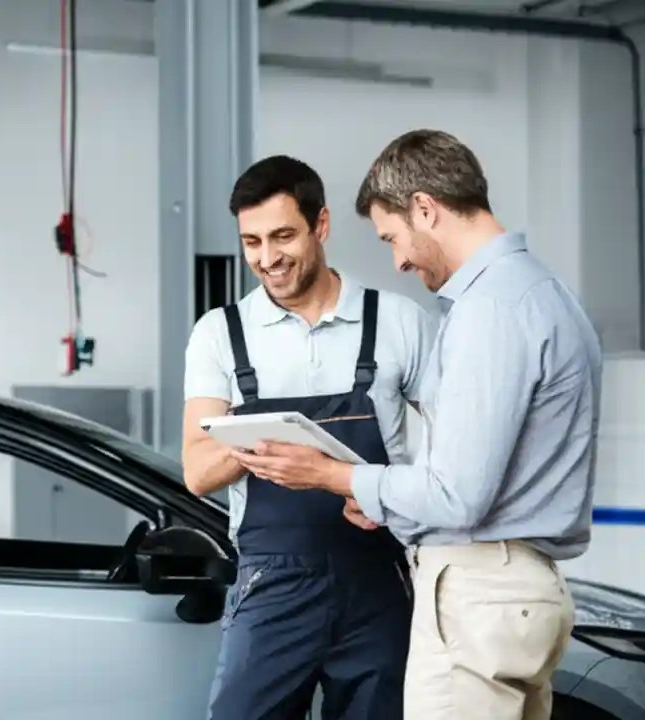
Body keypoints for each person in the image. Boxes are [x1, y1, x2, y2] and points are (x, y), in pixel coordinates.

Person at [232, 129, 602, 720]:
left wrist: (339, 478)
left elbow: (456, 496)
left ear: (425, 208)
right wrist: (387, 503)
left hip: (482, 593)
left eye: (393, 236)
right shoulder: (545, 293)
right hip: (525, 591)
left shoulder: (489, 312)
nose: (399, 260)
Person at [182, 154, 437, 720]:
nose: (267, 259)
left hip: (379, 577)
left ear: (320, 225)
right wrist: (263, 444)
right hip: (272, 582)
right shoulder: (219, 335)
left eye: (282, 236)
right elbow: (197, 472)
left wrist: (393, 497)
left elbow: (455, 451)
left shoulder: (399, 322)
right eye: (251, 242)